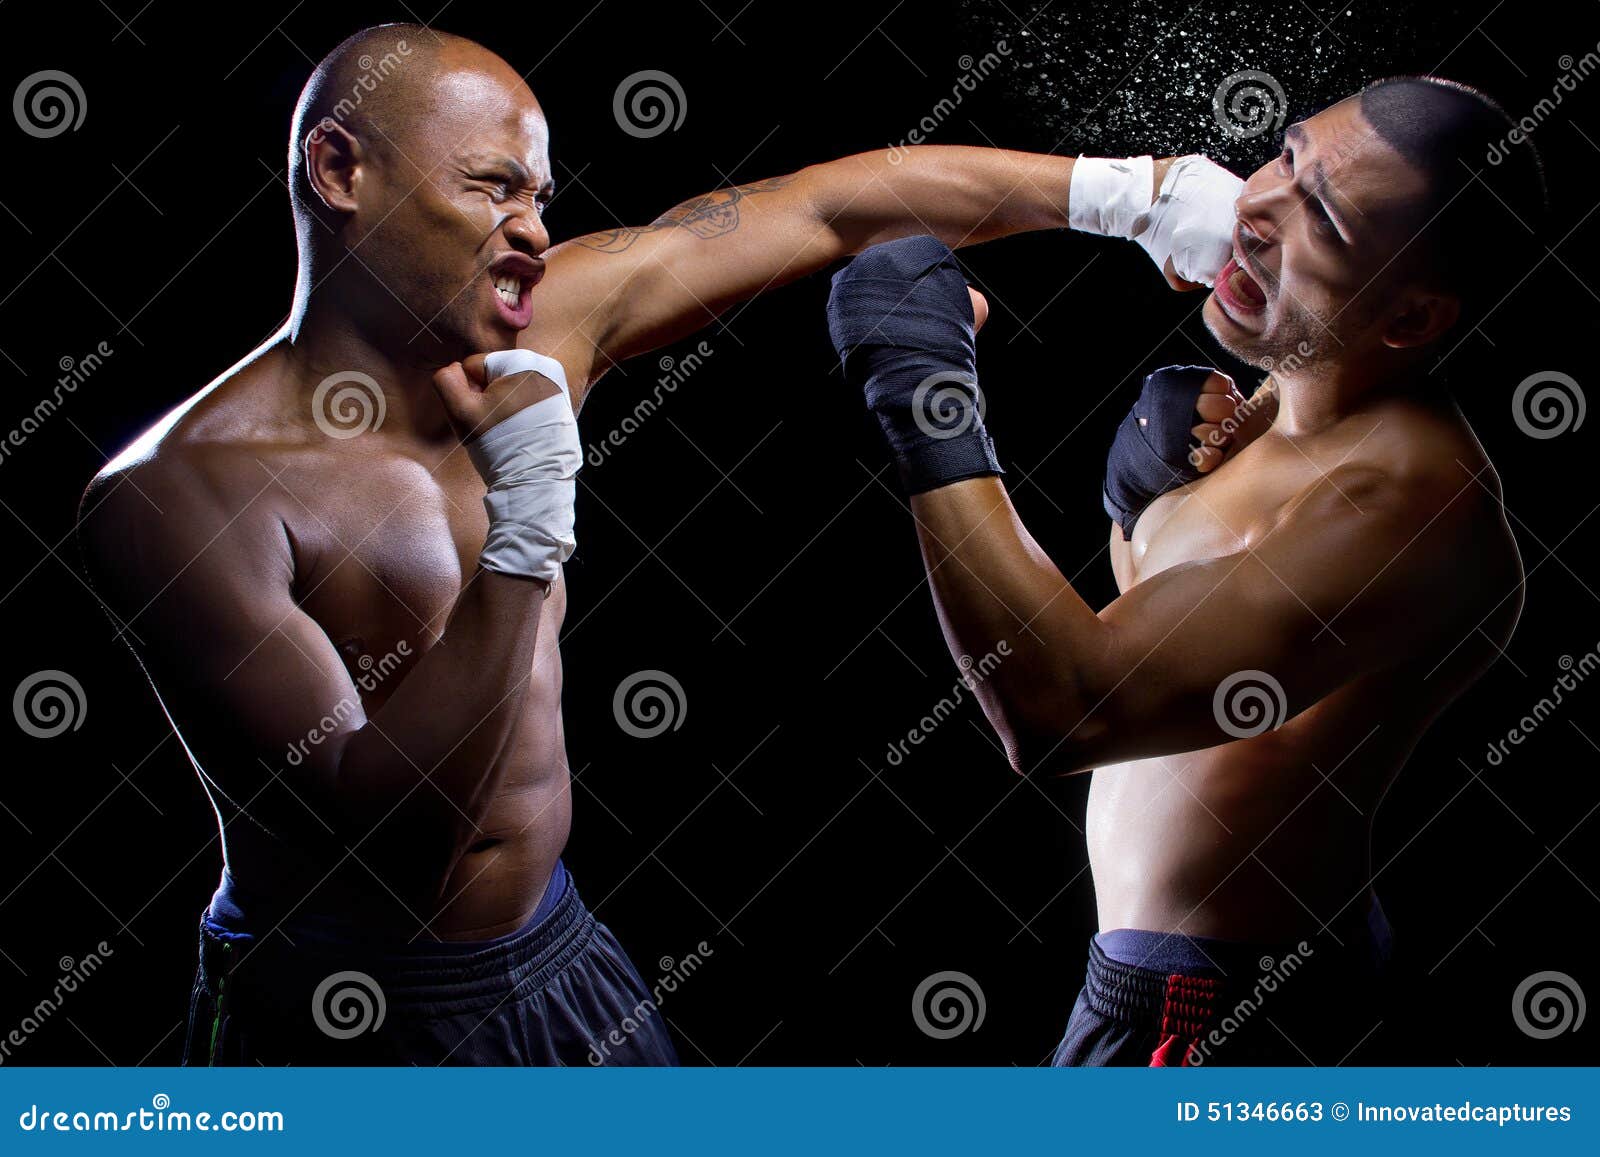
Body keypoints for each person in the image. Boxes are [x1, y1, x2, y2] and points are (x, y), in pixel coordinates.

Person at [75, 23, 1233, 1064]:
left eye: (538, 194)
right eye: (491, 189)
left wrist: (1132, 193)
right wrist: (526, 523)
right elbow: (392, 843)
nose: (532, 229)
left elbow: (832, 205)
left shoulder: (547, 324)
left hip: (556, 949)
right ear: (338, 170)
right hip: (351, 1017)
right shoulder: (181, 496)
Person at [826, 76, 1545, 1066]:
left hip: (1225, 1008)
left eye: (1320, 221)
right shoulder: (1272, 406)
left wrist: (923, 395)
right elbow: (1168, 628)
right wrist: (1137, 507)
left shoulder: (1407, 505)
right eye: (1286, 160)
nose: (1256, 211)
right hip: (1168, 978)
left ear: (1411, 321)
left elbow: (1069, 706)